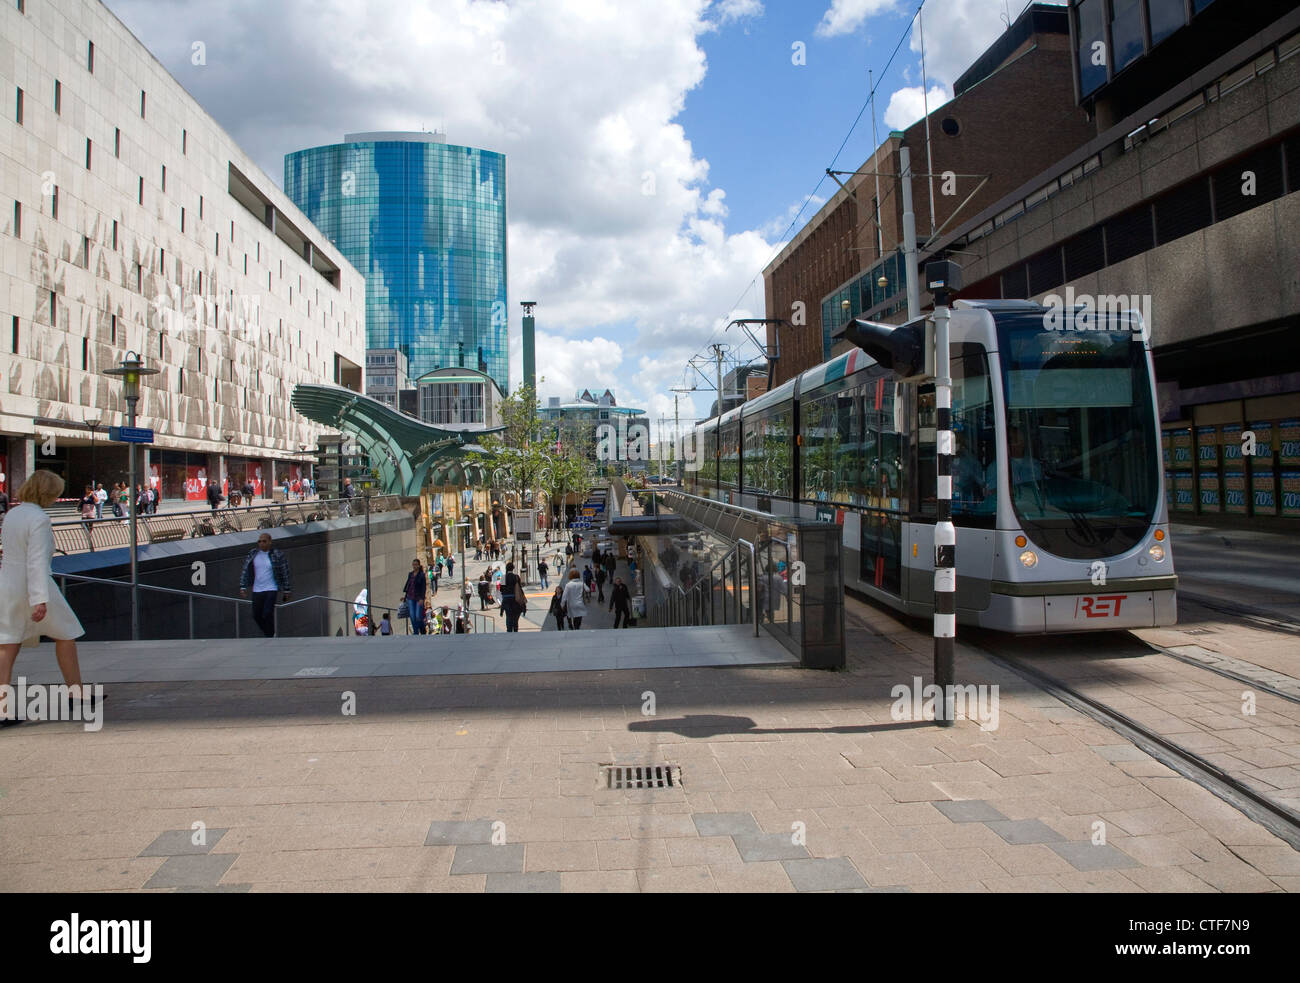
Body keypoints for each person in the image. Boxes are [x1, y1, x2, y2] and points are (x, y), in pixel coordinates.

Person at [0, 471, 92, 726]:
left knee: (7, 644)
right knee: (66, 634)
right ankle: (77, 693)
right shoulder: (39, 518)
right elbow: (37, 561)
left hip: (7, 581)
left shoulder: (14, 513)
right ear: (48, 493)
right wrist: (39, 599)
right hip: (33, 585)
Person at [240, 532, 292, 637]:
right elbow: (245, 569)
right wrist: (243, 586)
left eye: (264, 541)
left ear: (270, 542)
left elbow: (285, 571)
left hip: (271, 588)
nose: (261, 543)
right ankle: (269, 633)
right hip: (257, 589)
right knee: (256, 615)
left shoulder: (277, 554)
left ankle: (270, 635)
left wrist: (287, 590)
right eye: (259, 541)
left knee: (267, 612)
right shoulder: (253, 553)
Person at [403, 559, 427, 635]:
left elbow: (424, 588)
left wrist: (422, 598)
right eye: (413, 564)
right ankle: (416, 632)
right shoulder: (410, 574)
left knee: (418, 616)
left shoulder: (421, 575)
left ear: (419, 565)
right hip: (410, 597)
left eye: (416, 564)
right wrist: (405, 597)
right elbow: (409, 586)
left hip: (418, 598)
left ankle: (422, 628)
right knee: (412, 617)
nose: (414, 566)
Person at [500, 561, 523, 633]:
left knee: (508, 615)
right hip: (515, 598)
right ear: (513, 569)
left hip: (506, 599)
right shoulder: (516, 577)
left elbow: (501, 589)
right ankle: (515, 629)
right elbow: (519, 588)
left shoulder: (503, 577)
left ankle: (509, 629)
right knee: (515, 615)